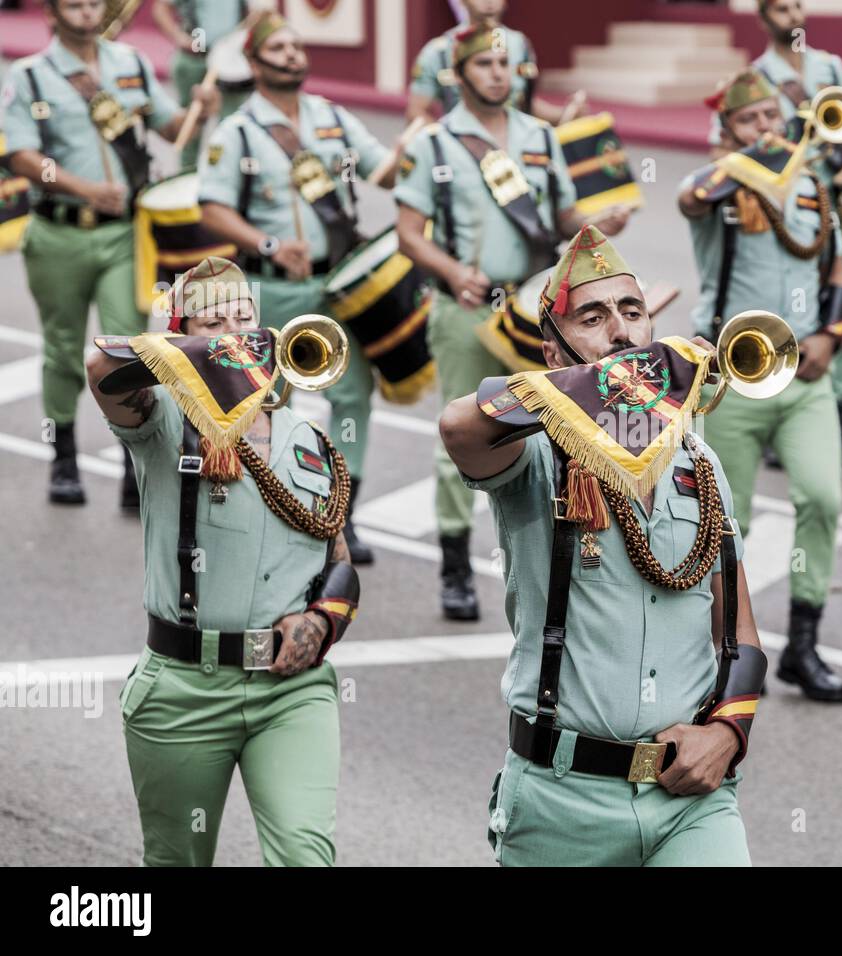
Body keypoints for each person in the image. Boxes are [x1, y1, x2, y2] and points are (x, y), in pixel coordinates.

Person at [439, 226, 765, 866]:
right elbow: (458, 425)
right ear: (554, 350)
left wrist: (729, 732)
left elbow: (741, 636)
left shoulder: (699, 463)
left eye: (633, 312)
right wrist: (592, 386)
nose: (621, 331)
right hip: (562, 803)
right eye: (593, 317)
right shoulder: (535, 453)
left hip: (690, 802)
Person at [85, 256, 361, 865]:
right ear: (183, 336)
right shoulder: (163, 423)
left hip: (293, 691)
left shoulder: (308, 439)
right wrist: (189, 358)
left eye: (246, 317)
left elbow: (339, 562)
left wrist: (321, 623)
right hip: (184, 686)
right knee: (176, 861)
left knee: (305, 857)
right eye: (215, 321)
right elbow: (101, 365)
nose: (237, 331)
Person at [395, 19, 628, 622]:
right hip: (468, 308)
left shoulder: (539, 136)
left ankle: (562, 553)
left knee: (561, 431)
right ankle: (454, 563)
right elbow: (408, 235)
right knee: (464, 426)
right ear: (460, 74)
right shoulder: (433, 144)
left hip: (532, 312)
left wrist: (600, 225)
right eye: (484, 65)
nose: (498, 74)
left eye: (505, 64)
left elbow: (562, 215)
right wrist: (451, 270)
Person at [199, 10, 401, 564]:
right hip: (272, 288)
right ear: (255, 62)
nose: (291, 54)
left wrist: (424, 139)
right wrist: (266, 244)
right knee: (266, 400)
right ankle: (270, 502)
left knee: (354, 395)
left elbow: (386, 172)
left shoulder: (334, 119)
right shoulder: (235, 132)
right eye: (278, 48)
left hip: (335, 287)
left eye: (296, 46)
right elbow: (210, 208)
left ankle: (346, 514)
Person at [1, 0, 215, 508]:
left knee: (129, 349)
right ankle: (64, 458)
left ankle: (133, 465)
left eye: (93, 3)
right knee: (61, 350)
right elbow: (23, 158)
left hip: (123, 236)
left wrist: (199, 108)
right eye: (74, 5)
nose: (86, 12)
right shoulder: (31, 76)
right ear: (52, 15)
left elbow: (169, 128)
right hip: (59, 234)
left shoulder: (131, 63)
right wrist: (81, 187)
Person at [680, 69, 842, 703]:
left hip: (803, 373)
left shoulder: (812, 185)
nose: (767, 130)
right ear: (725, 131)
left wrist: (831, 335)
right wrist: (744, 159)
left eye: (773, 119)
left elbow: (837, 267)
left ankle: (804, 644)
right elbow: (688, 198)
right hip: (732, 371)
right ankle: (721, 650)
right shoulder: (719, 185)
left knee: (823, 497)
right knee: (729, 519)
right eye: (750, 121)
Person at [729, 0, 842, 474]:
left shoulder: (829, 65)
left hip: (829, 198)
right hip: (783, 204)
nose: (792, 15)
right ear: (763, 17)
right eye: (781, 8)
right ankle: (778, 413)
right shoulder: (757, 77)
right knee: (786, 308)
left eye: (797, 5)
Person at [406, 0, 577, 126]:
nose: (489, 1)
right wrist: (447, 143)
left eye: (503, 63)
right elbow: (416, 112)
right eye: (483, 63)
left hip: (514, 144)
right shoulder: (440, 50)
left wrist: (565, 114)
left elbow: (524, 103)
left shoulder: (520, 43)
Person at [152, 0, 252, 169]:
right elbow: (160, 8)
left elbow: (247, 13)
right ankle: (186, 176)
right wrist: (181, 38)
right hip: (195, 59)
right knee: (190, 124)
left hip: (229, 61)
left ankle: (225, 177)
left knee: (231, 126)